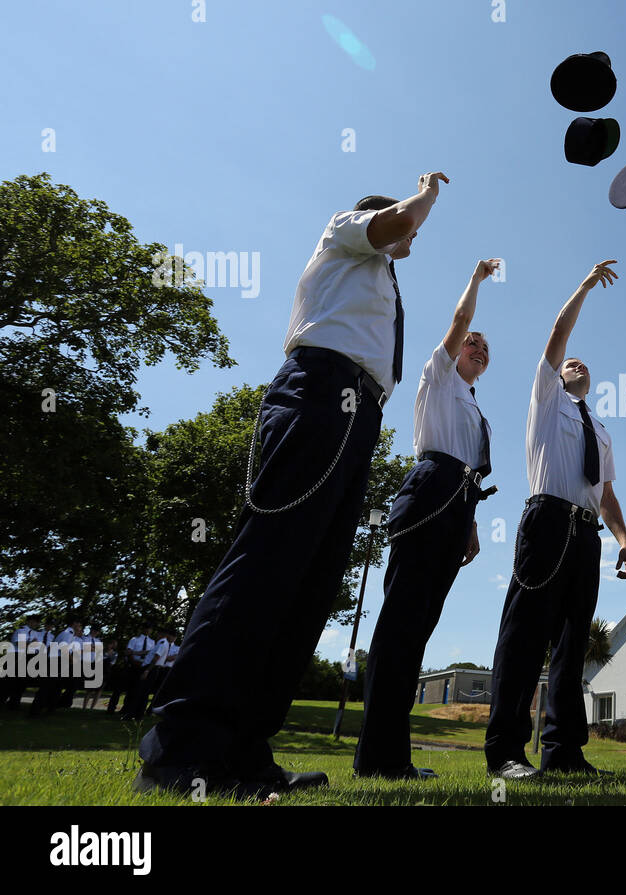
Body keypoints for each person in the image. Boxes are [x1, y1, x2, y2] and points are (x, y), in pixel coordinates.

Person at [136, 172, 451, 799]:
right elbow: (395, 225)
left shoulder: (379, 276)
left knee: (309, 582)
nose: (411, 235)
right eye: (404, 224)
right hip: (319, 395)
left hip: (358, 413)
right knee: (265, 563)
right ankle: (183, 750)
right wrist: (426, 196)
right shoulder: (345, 233)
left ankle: (247, 751)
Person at [484, 261, 626, 779]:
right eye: (569, 363)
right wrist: (586, 285)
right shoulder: (546, 400)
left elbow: (606, 492)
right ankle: (505, 751)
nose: (575, 365)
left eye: (581, 365)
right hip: (546, 521)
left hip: (586, 534)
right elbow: (557, 332)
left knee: (572, 646)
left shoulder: (602, 429)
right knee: (525, 636)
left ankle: (565, 751)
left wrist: (623, 539)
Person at [354, 259, 500, 780]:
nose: (477, 349)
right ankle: (375, 760)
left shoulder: (474, 405)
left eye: (485, 349)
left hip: (459, 501)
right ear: (456, 349)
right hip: (429, 488)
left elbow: (470, 467)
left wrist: (472, 525)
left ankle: (395, 758)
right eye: (472, 343)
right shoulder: (437, 376)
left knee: (418, 630)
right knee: (399, 623)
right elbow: (459, 319)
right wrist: (478, 279)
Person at [109, 628, 154, 715]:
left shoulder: (152, 642)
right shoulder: (134, 639)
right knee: (120, 688)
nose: (148, 630)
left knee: (133, 690)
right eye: (146, 628)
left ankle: (126, 709)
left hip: (142, 666)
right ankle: (111, 708)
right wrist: (133, 661)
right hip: (131, 665)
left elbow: (150, 654)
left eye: (149, 629)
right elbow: (128, 652)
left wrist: (137, 656)